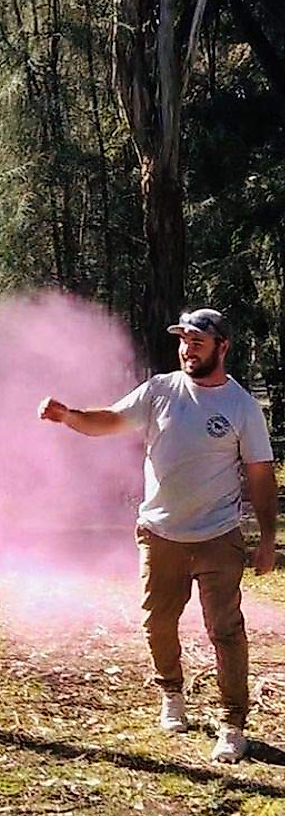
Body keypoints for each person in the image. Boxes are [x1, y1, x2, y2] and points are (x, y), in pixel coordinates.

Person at [39, 308, 278, 763]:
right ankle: (172, 694)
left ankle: (232, 723)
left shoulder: (241, 407)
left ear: (222, 347)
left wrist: (266, 539)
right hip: (160, 532)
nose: (188, 349)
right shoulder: (160, 390)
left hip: (218, 535)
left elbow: (260, 474)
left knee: (225, 630)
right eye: (184, 341)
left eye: (198, 342)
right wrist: (69, 416)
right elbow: (108, 419)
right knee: (158, 622)